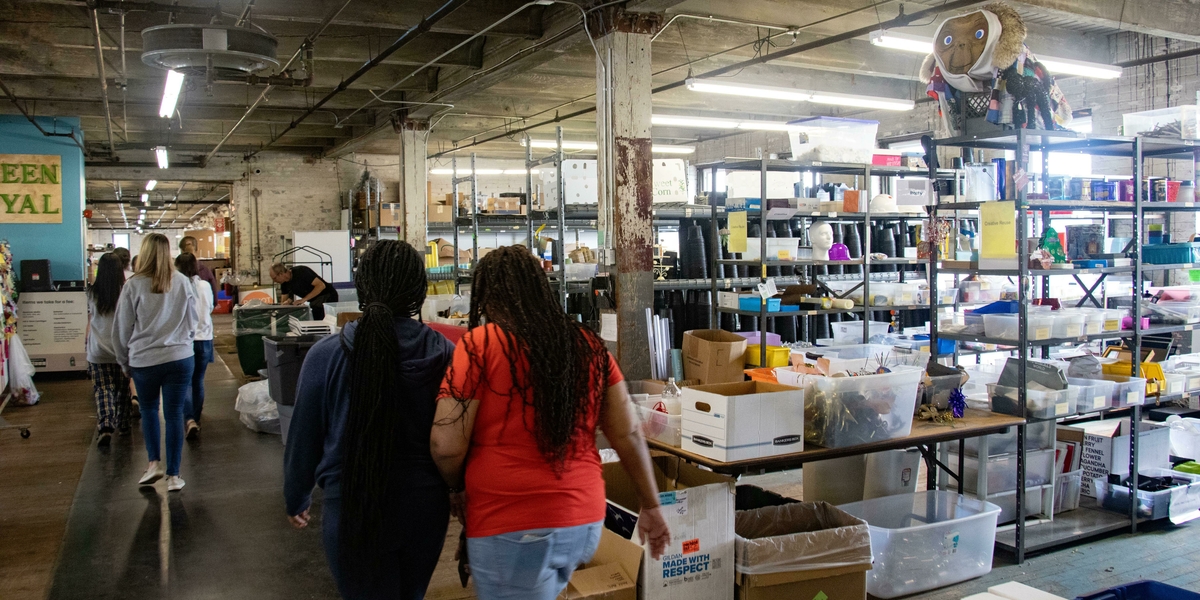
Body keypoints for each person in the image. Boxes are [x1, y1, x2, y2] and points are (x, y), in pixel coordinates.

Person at [431, 246, 670, 600]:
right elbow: (629, 433)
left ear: (488, 298)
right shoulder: (587, 344)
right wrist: (651, 506)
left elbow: (446, 446)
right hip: (583, 520)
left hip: (512, 525)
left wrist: (455, 489)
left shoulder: (481, 346)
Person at [284, 241, 454, 600]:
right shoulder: (446, 354)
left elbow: (304, 437)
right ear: (420, 291)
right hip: (425, 510)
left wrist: (296, 496)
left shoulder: (327, 355)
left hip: (353, 507)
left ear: (362, 288)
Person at [114, 233, 198, 493]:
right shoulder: (183, 282)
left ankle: (153, 464)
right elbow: (193, 322)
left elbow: (121, 328)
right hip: (180, 358)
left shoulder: (133, 285)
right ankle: (174, 475)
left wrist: (123, 360)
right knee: (173, 415)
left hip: (144, 359)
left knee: (149, 409)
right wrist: (183, 343)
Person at [86, 253, 133, 446]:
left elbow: (90, 320)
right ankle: (123, 424)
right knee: (122, 390)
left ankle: (105, 424)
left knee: (103, 389)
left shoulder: (91, 293)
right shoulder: (126, 291)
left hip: (97, 350)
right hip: (121, 349)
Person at [174, 252, 214, 440]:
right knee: (198, 381)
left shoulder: (177, 286)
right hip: (205, 338)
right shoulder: (205, 285)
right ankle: (196, 419)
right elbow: (211, 307)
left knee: (185, 382)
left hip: (185, 340)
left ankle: (189, 419)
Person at [269, 263, 339, 320]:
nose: (274, 281)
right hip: (314, 300)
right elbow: (284, 301)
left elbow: (321, 285)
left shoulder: (301, 271)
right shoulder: (284, 283)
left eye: (274, 278)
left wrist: (303, 299)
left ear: (281, 274)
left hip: (327, 295)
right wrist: (288, 302)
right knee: (317, 318)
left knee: (325, 320)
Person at [179, 236, 218, 303]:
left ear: (181, 250)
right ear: (196, 250)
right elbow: (214, 299)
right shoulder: (205, 270)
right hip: (203, 312)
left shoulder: (176, 272)